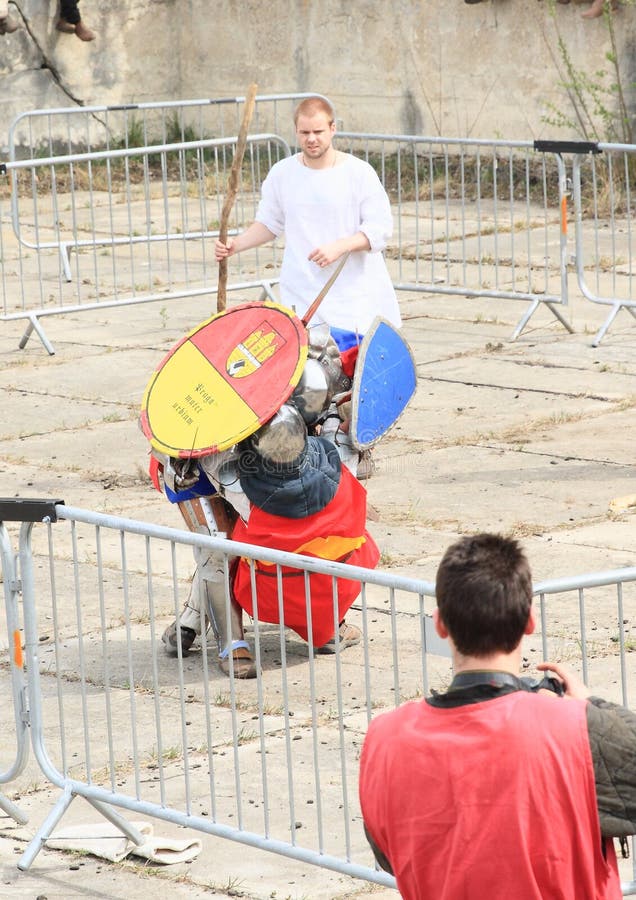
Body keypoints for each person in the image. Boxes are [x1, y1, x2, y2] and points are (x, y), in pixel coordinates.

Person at [359, 533, 636, 900]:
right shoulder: (577, 729)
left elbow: (389, 856)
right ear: (529, 622)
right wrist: (592, 705)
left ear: (440, 626)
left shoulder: (385, 739)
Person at [214, 95, 401, 353]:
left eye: (318, 131)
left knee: (350, 375)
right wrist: (236, 245)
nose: (311, 139)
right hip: (302, 291)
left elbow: (379, 229)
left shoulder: (358, 173)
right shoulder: (283, 173)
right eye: (304, 132)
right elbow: (270, 223)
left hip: (353, 295)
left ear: (332, 129)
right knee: (308, 378)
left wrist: (341, 246)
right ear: (296, 132)